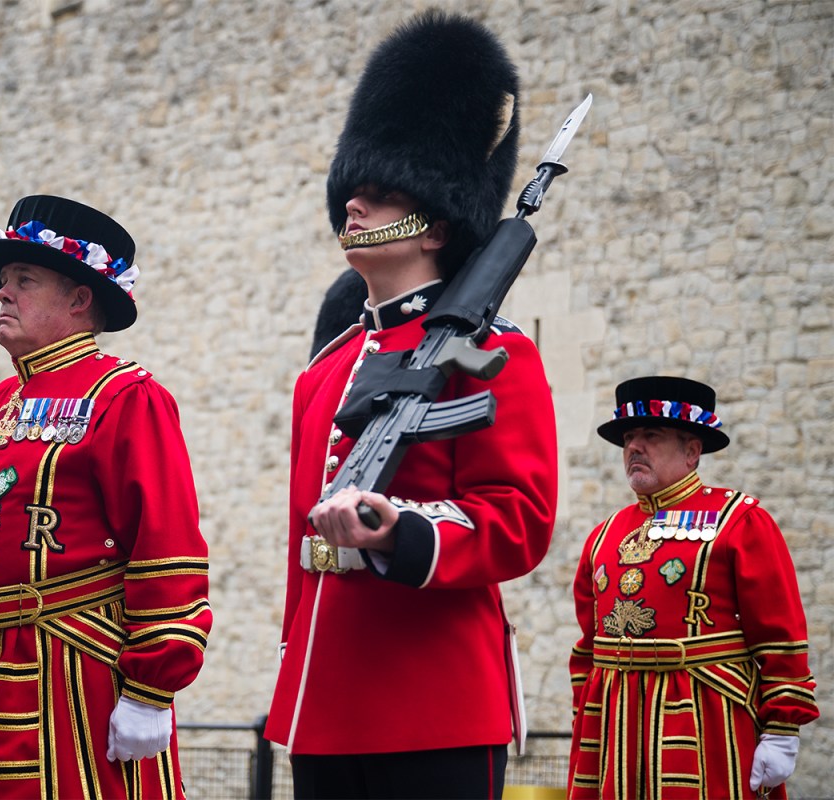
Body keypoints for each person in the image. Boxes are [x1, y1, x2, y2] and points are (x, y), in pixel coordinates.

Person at [265, 12, 558, 799]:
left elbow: (518, 518)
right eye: (351, 195)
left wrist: (404, 531)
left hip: (434, 706)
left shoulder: (495, 353)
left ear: (432, 223)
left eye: (380, 194)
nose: (353, 209)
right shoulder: (323, 376)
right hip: (323, 703)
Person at [0, 195, 212, 799]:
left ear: (80, 298)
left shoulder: (127, 398)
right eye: (3, 281)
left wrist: (151, 688)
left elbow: (167, 546)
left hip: (71, 676)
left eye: (25, 279)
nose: (3, 293)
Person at [567, 376, 819, 799]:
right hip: (615, 726)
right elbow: (587, 649)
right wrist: (587, 716)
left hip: (703, 718)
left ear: (692, 450)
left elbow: (780, 634)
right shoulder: (603, 535)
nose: (634, 447)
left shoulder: (739, 519)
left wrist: (781, 729)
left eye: (651, 435)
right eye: (629, 437)